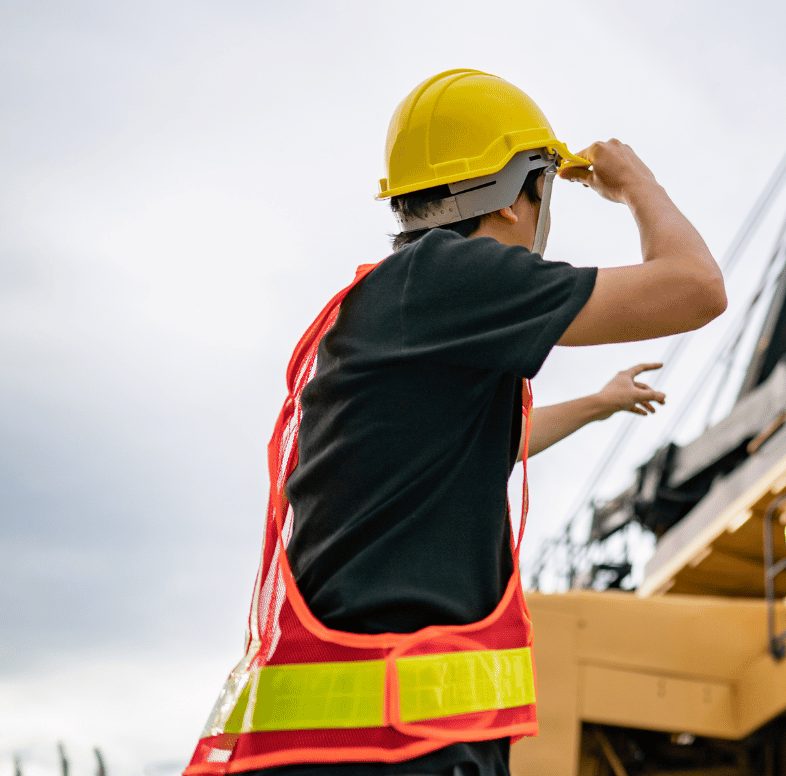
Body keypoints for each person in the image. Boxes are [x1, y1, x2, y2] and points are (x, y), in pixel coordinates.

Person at [186, 69, 725, 776]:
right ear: (514, 196)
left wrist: (598, 403)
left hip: (355, 751)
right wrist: (636, 186)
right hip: (396, 753)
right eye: (546, 187)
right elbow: (695, 288)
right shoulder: (451, 276)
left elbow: (480, 453)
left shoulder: (393, 306)